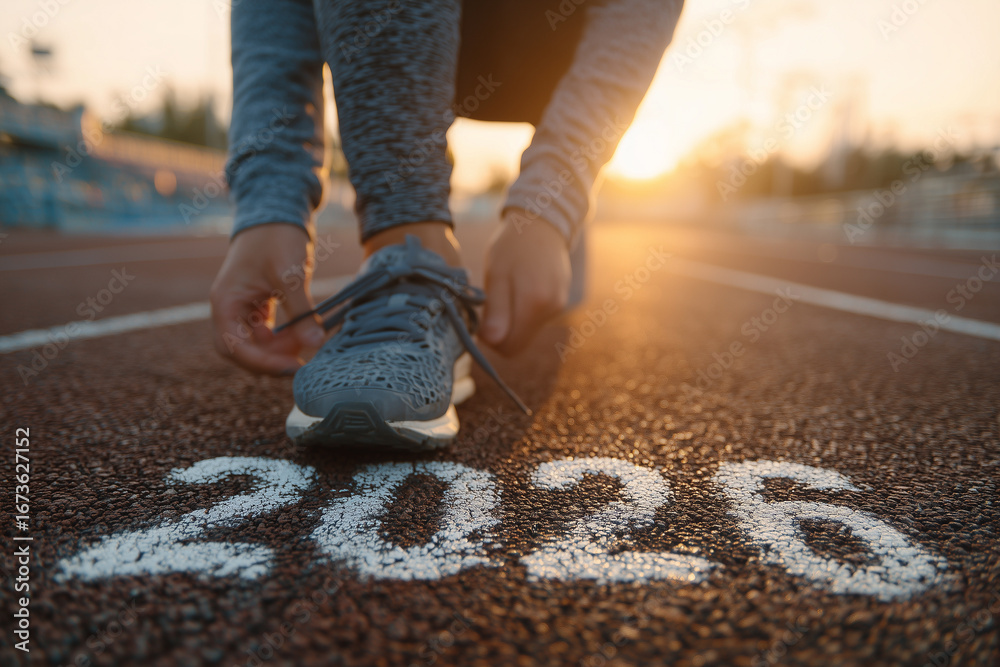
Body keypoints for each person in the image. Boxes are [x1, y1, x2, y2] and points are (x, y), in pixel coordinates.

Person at [210, 0, 683, 449]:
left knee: (557, 300)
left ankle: (555, 226)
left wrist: (554, 198)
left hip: (557, 38)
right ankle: (411, 257)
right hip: (389, 34)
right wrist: (268, 202)